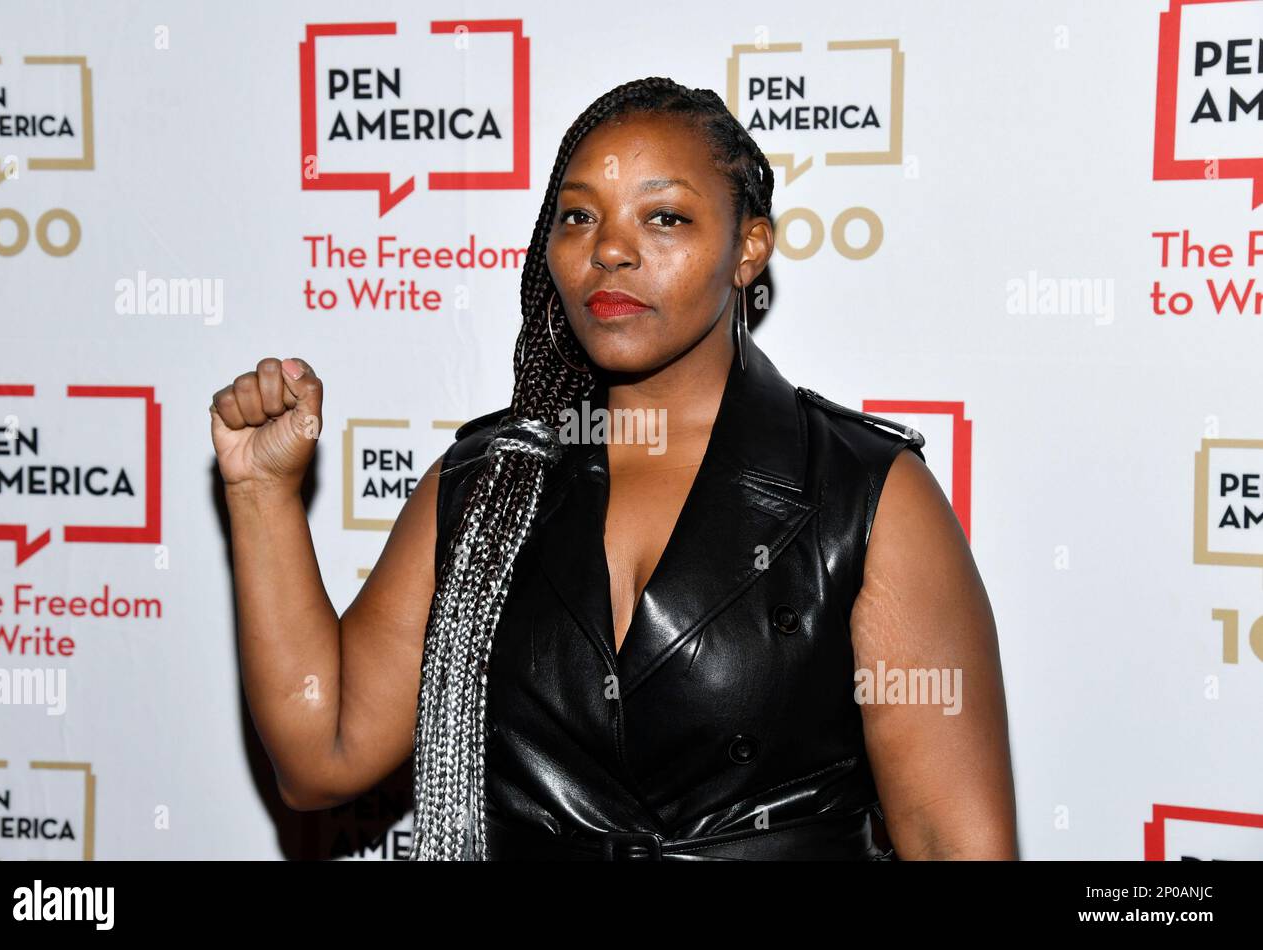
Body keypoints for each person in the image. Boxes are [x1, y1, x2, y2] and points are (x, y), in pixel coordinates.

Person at [210, 77, 1017, 861]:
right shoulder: (487, 487)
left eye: (663, 217)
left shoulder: (865, 495)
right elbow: (325, 753)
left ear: (749, 249)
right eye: (578, 217)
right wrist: (260, 493)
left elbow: (955, 844)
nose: (610, 250)